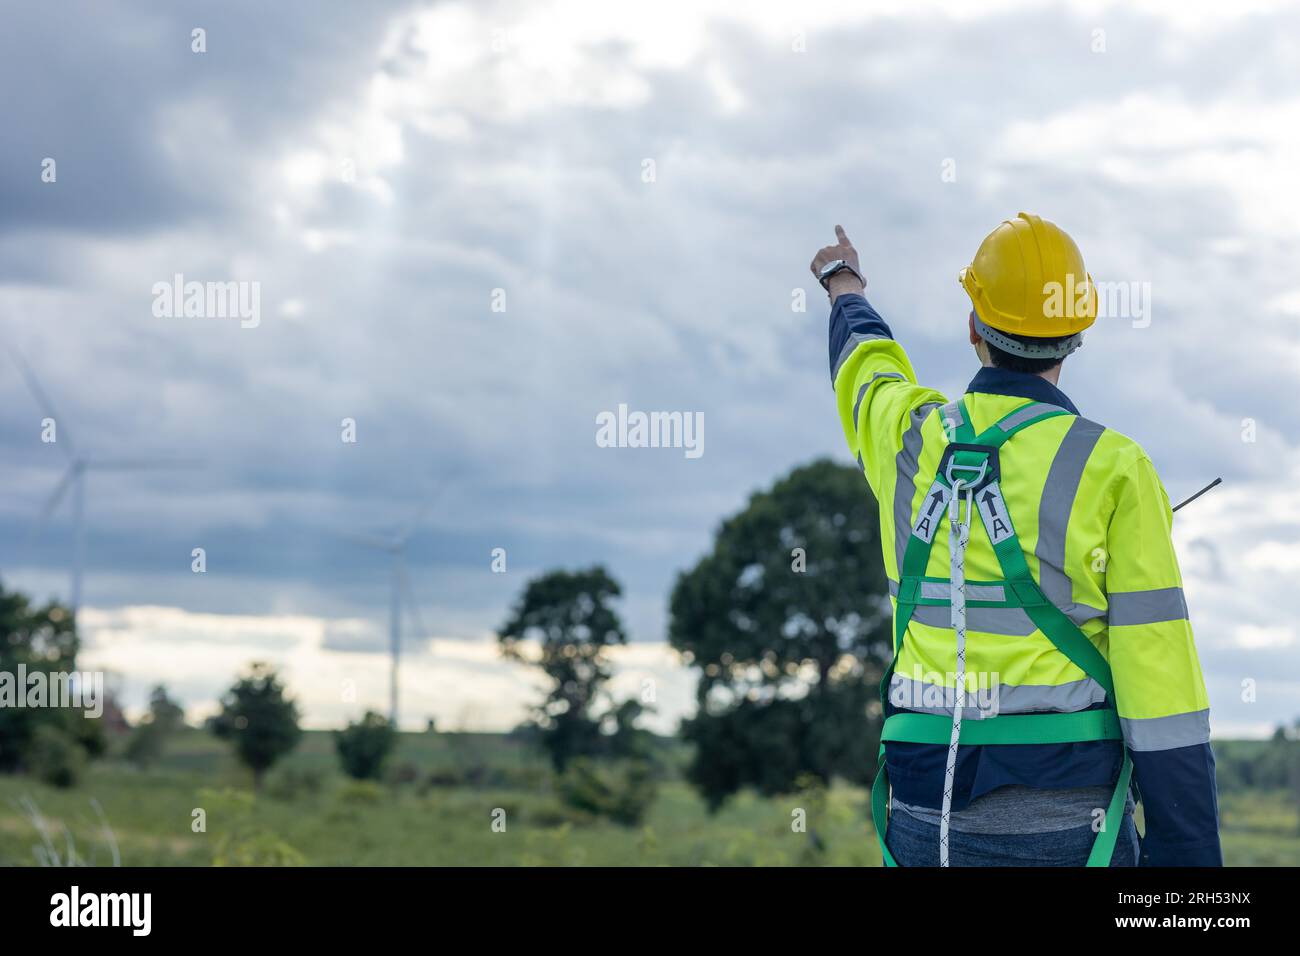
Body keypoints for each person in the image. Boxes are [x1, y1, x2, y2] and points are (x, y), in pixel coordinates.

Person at [810, 213, 1221, 867]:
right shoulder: (1115, 467)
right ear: (1076, 335)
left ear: (974, 325)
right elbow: (1160, 684)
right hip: (1070, 829)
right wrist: (1189, 862)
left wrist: (844, 285)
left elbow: (865, 371)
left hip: (922, 818)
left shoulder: (910, 440)